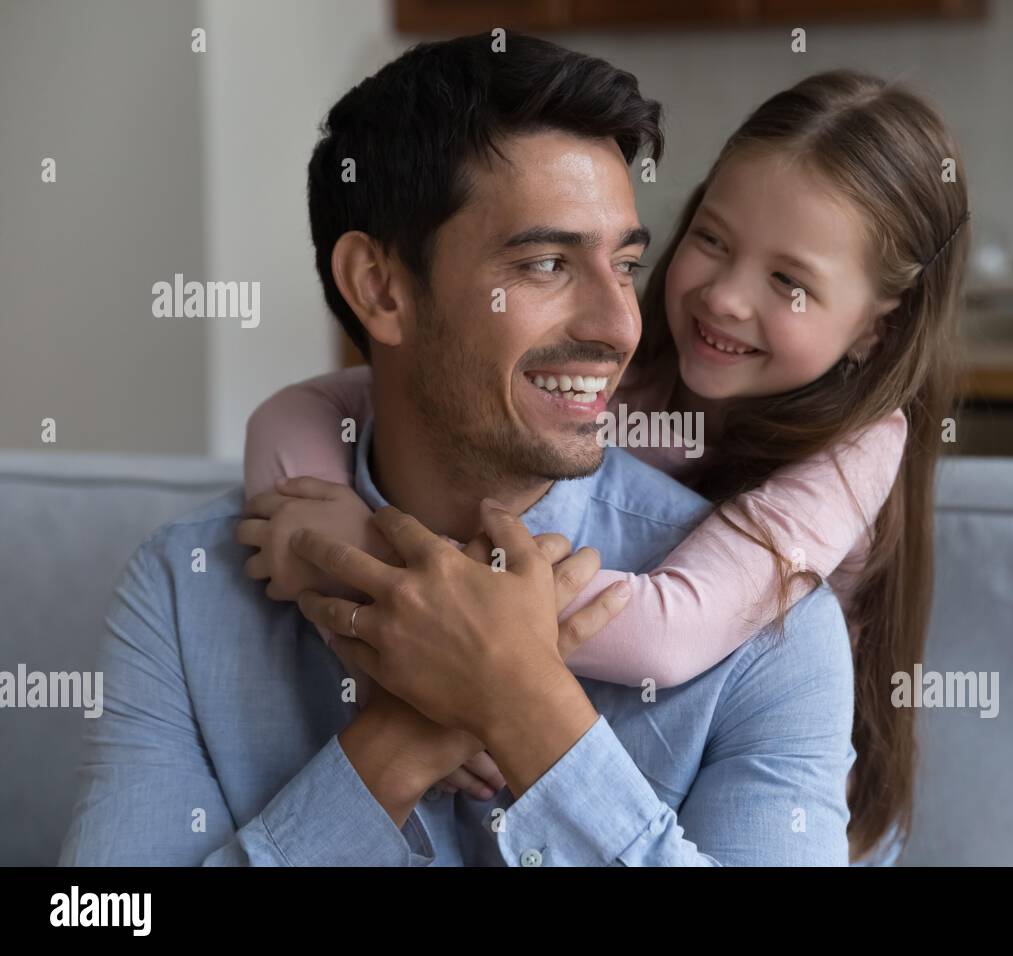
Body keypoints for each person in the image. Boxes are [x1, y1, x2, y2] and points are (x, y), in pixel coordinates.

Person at [58, 34, 874, 867]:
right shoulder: (186, 592)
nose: (619, 326)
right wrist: (399, 742)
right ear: (379, 288)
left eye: (625, 265)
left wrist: (524, 708)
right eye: (548, 264)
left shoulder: (771, 632)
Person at [240, 68, 970, 861]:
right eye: (712, 240)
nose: (724, 296)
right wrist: (314, 525)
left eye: (788, 282)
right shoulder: (635, 366)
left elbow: (670, 633)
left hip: (788, 794)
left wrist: (394, 563)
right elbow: (305, 408)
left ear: (875, 331)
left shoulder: (856, 450)